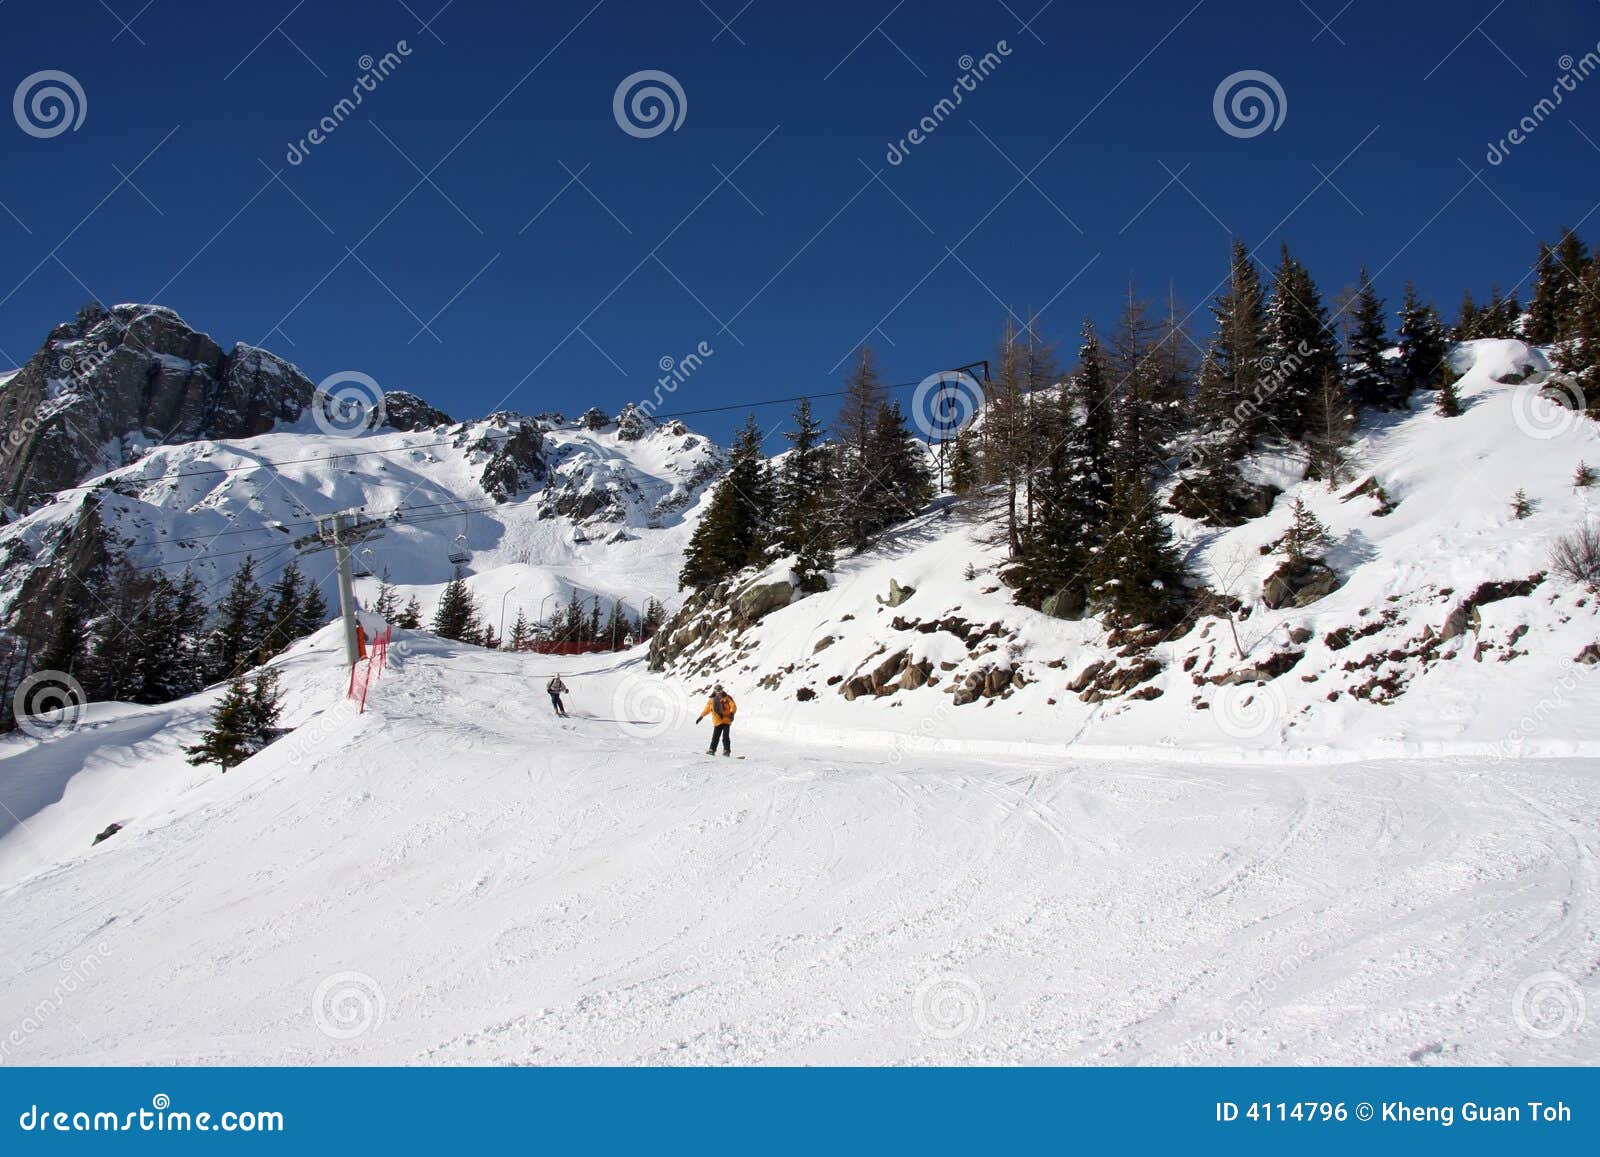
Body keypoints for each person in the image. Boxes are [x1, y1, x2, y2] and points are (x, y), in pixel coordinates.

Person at [696, 683, 736, 756]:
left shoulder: (727, 698)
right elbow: (707, 709)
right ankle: (712, 750)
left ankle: (726, 751)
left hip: (726, 720)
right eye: (717, 691)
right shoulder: (712, 700)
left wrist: (732, 713)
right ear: (714, 691)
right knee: (715, 737)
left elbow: (733, 706)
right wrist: (701, 716)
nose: (718, 692)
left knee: (725, 736)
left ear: (722, 690)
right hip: (717, 721)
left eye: (720, 691)